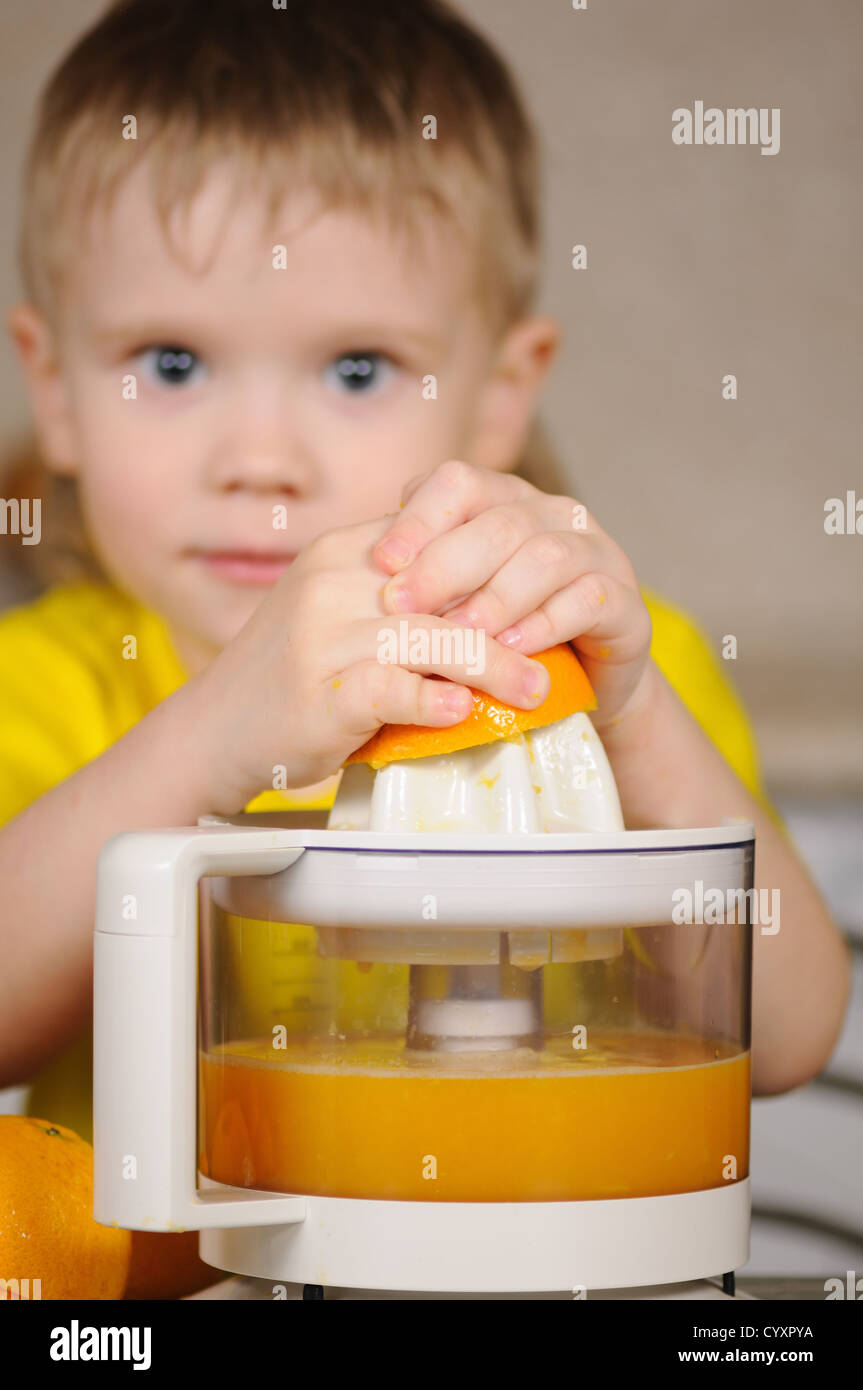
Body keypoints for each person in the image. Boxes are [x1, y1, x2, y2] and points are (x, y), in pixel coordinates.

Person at [0, 0, 849, 1168]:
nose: (261, 457)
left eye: (357, 368)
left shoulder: (615, 672)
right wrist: (205, 737)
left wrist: (634, 716)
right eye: (172, 362)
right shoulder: (42, 683)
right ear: (55, 391)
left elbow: (795, 1033)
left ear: (502, 390)